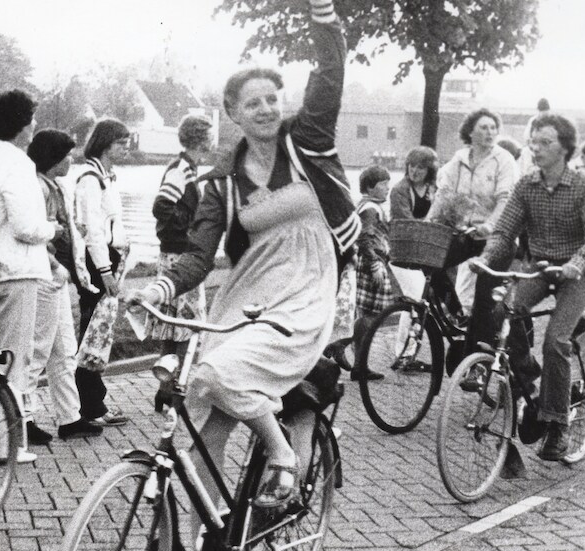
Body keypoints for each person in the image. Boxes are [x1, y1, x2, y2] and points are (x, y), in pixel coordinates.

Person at [133, 0, 357, 520]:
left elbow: (331, 74)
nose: (265, 109)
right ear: (231, 113)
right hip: (248, 291)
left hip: (309, 286)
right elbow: (197, 257)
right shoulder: (219, 184)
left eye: (272, 99)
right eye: (251, 103)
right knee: (207, 414)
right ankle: (198, 543)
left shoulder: (308, 143)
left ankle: (281, 450)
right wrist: (159, 288)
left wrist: (322, 13)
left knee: (222, 371)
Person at [476, 113, 585, 461]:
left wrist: (575, 265)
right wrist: (488, 257)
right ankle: (528, 376)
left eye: (545, 142)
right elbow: (505, 231)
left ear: (565, 148)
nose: (536, 149)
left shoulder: (584, 186)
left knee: (555, 340)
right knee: (503, 311)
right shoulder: (526, 185)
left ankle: (557, 424)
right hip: (539, 267)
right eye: (533, 142)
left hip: (577, 273)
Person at [0, 89, 56, 461]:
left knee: (6, 355)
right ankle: (2, 446)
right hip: (17, 270)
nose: (34, 126)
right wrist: (53, 229)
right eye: (32, 118)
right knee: (15, 359)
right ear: (22, 124)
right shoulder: (17, 163)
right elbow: (26, 227)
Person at [428, 107, 519, 369]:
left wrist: (491, 225)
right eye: (483, 127)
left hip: (496, 237)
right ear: (470, 131)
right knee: (431, 263)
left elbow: (505, 199)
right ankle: (459, 315)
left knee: (483, 297)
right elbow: (444, 195)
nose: (490, 132)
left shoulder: (504, 160)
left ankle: (476, 362)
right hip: (467, 233)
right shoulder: (458, 160)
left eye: (493, 127)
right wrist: (428, 223)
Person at [25, 129, 98, 440]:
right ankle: (23, 417)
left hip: (59, 277)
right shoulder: (37, 189)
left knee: (65, 349)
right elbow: (36, 233)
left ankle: (70, 416)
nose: (71, 159)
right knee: (37, 349)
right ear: (52, 158)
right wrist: (55, 265)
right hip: (46, 275)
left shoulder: (56, 186)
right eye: (66, 155)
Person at [146, 114, 215, 400]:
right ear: (201, 140)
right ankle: (176, 388)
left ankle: (166, 388)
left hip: (172, 254)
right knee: (188, 325)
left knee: (171, 326)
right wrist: (187, 232)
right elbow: (162, 205)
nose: (213, 142)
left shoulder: (185, 166)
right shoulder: (183, 169)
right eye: (210, 137)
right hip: (181, 256)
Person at [72, 118, 133, 433]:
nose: (126, 147)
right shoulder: (90, 180)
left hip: (110, 258)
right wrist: (105, 271)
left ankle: (95, 402)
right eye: (121, 142)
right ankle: (89, 406)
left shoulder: (107, 177)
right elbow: (92, 230)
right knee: (91, 333)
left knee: (101, 331)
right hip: (99, 263)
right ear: (106, 143)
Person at [352, 165, 395, 381]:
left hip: (375, 261)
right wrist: (374, 263)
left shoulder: (371, 206)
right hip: (374, 263)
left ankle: (360, 363)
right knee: (369, 315)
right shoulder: (370, 208)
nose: (388, 187)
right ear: (370, 186)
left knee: (368, 314)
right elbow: (363, 237)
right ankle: (359, 365)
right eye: (383, 183)